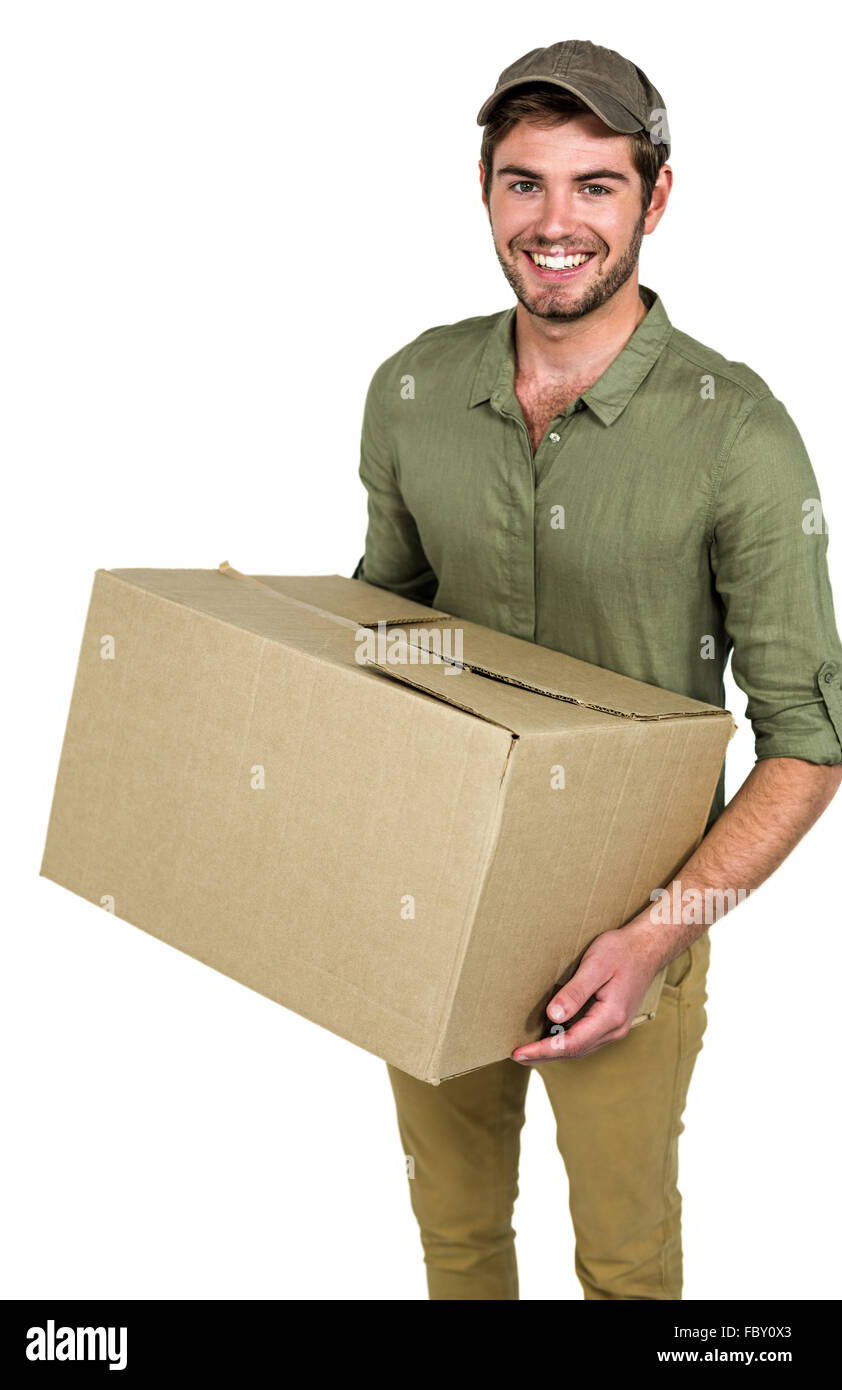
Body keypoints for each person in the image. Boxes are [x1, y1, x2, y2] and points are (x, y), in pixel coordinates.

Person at [352, 39, 842, 1300]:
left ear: (654, 199)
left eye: (595, 185)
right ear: (483, 190)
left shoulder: (735, 434)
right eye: (524, 184)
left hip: (627, 928)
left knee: (623, 1269)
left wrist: (655, 938)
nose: (554, 222)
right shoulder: (411, 390)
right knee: (455, 1247)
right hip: (430, 901)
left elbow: (807, 736)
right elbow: (388, 631)